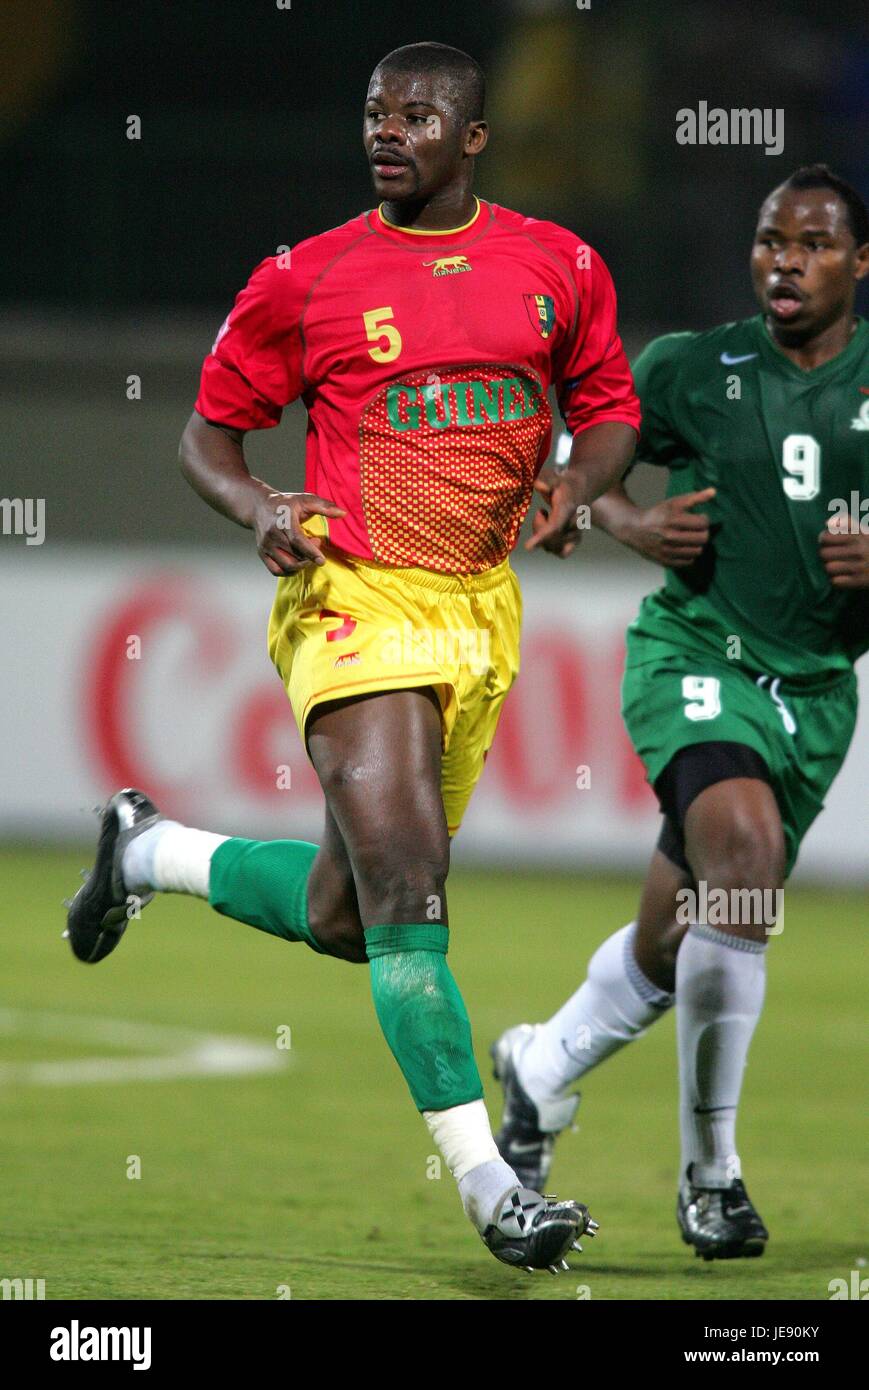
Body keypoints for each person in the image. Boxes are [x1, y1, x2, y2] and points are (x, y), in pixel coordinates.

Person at [66, 42, 640, 1272]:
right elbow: (205, 437)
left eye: (419, 115)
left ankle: (150, 849)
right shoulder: (306, 277)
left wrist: (579, 485)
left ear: (473, 138)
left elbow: (609, 408)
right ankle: (496, 1192)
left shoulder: (558, 265)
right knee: (407, 885)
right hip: (351, 595)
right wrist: (258, 510)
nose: (389, 131)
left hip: (478, 611)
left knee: (346, 916)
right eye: (375, 114)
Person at [493, 164, 869, 1260]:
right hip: (693, 656)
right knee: (741, 862)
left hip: (813, 694)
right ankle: (710, 1175)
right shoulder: (692, 369)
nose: (781, 261)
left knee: (677, 935)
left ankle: (541, 1064)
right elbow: (574, 464)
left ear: (858, 263)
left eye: (809, 244)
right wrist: (626, 522)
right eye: (766, 240)